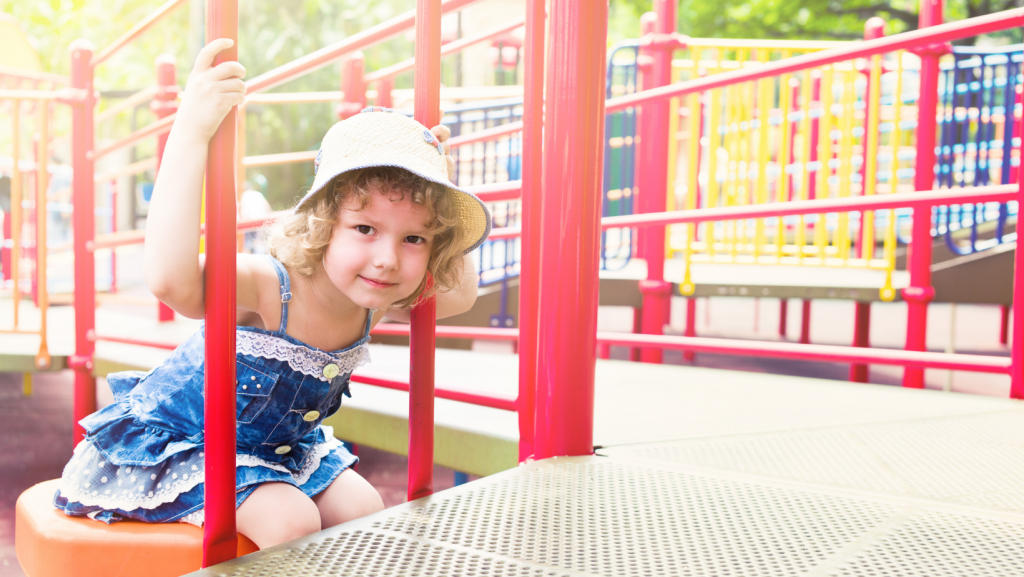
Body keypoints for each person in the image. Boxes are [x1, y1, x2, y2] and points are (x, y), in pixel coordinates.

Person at [52, 39, 491, 549]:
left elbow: (460, 295)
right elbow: (172, 281)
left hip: (279, 451)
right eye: (365, 229)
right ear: (324, 225)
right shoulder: (269, 285)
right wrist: (191, 131)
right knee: (290, 522)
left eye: (413, 238)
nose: (388, 258)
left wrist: (439, 186)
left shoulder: (378, 299)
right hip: (182, 447)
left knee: (366, 512)